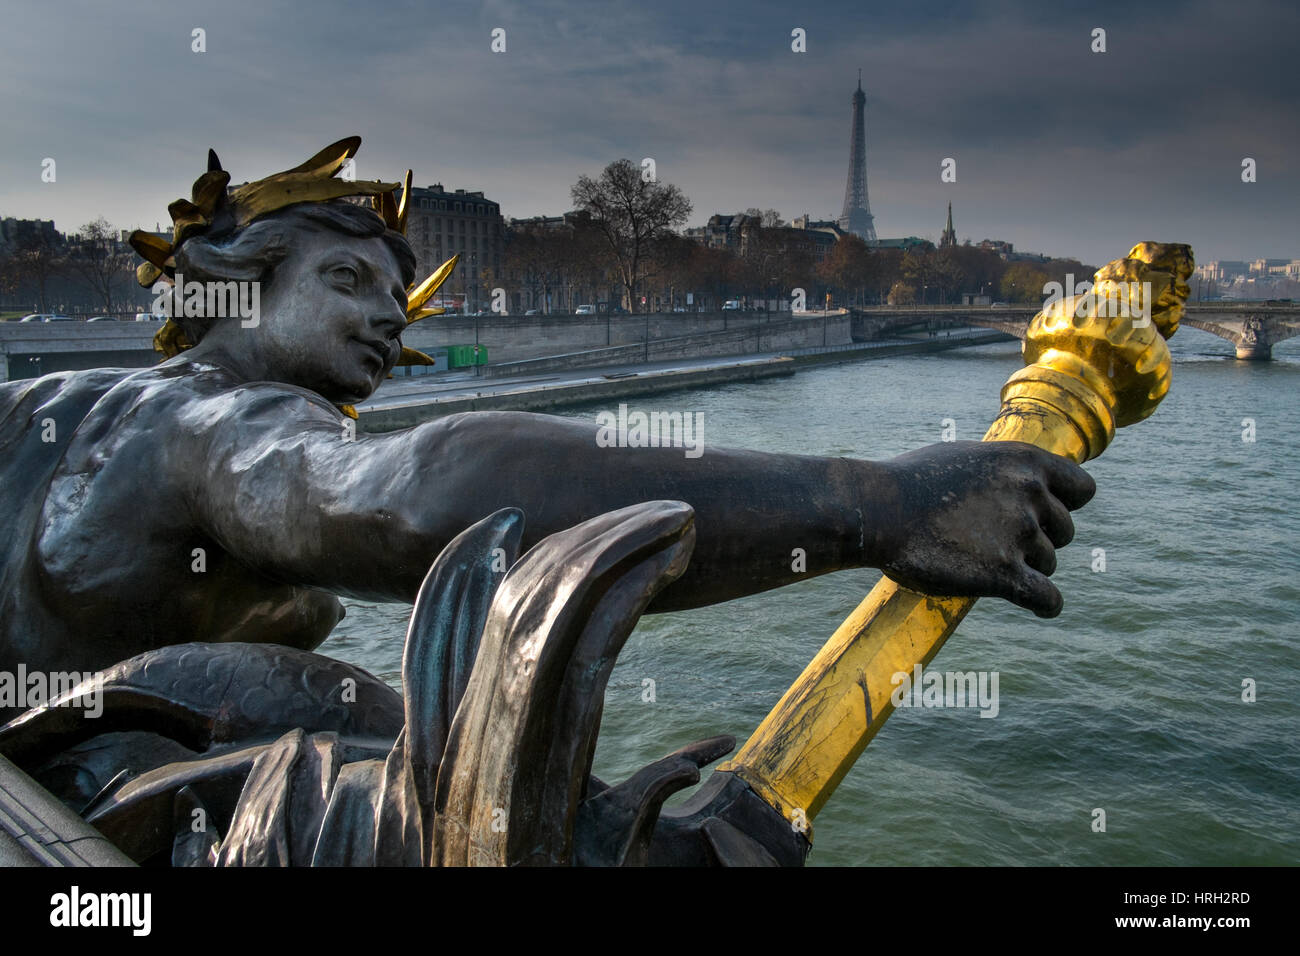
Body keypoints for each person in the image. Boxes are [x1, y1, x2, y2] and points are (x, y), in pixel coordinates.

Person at [0, 141, 1093, 721]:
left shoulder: (49, 406)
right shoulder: (222, 424)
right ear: (233, 283)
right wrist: (876, 502)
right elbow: (415, 498)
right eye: (347, 280)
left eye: (400, 300)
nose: (390, 317)